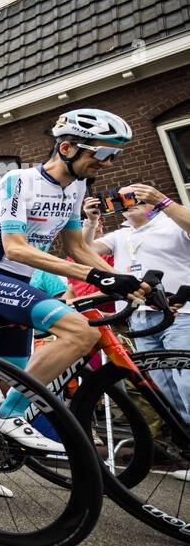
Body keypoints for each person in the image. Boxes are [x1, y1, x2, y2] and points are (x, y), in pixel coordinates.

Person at [0, 108, 150, 443]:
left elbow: (77, 247)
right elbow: (16, 249)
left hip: (19, 283)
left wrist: (129, 283)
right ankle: (8, 417)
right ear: (66, 148)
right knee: (81, 334)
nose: (108, 163)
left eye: (114, 156)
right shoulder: (19, 181)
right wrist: (95, 277)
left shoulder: (76, 189)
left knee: (16, 377)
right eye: (102, 153)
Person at [87, 182, 190, 426]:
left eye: (134, 198)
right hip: (140, 318)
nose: (127, 204)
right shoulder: (121, 234)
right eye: (121, 200)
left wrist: (162, 200)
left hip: (180, 314)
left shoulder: (171, 223)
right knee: (163, 388)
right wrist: (90, 222)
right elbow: (86, 249)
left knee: (187, 381)